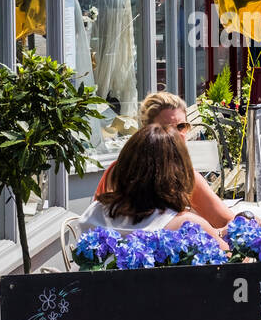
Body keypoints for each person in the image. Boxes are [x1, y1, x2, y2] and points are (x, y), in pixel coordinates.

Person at [93, 91, 232, 231]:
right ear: (147, 131)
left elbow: (227, 221)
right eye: (167, 129)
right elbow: (101, 225)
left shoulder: (186, 176)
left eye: (181, 127)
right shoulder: (119, 171)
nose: (177, 136)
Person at [80, 124, 228, 246]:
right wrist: (221, 233)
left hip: (98, 283)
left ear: (124, 166)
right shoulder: (187, 226)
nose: (183, 135)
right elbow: (235, 267)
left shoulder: (94, 212)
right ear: (178, 173)